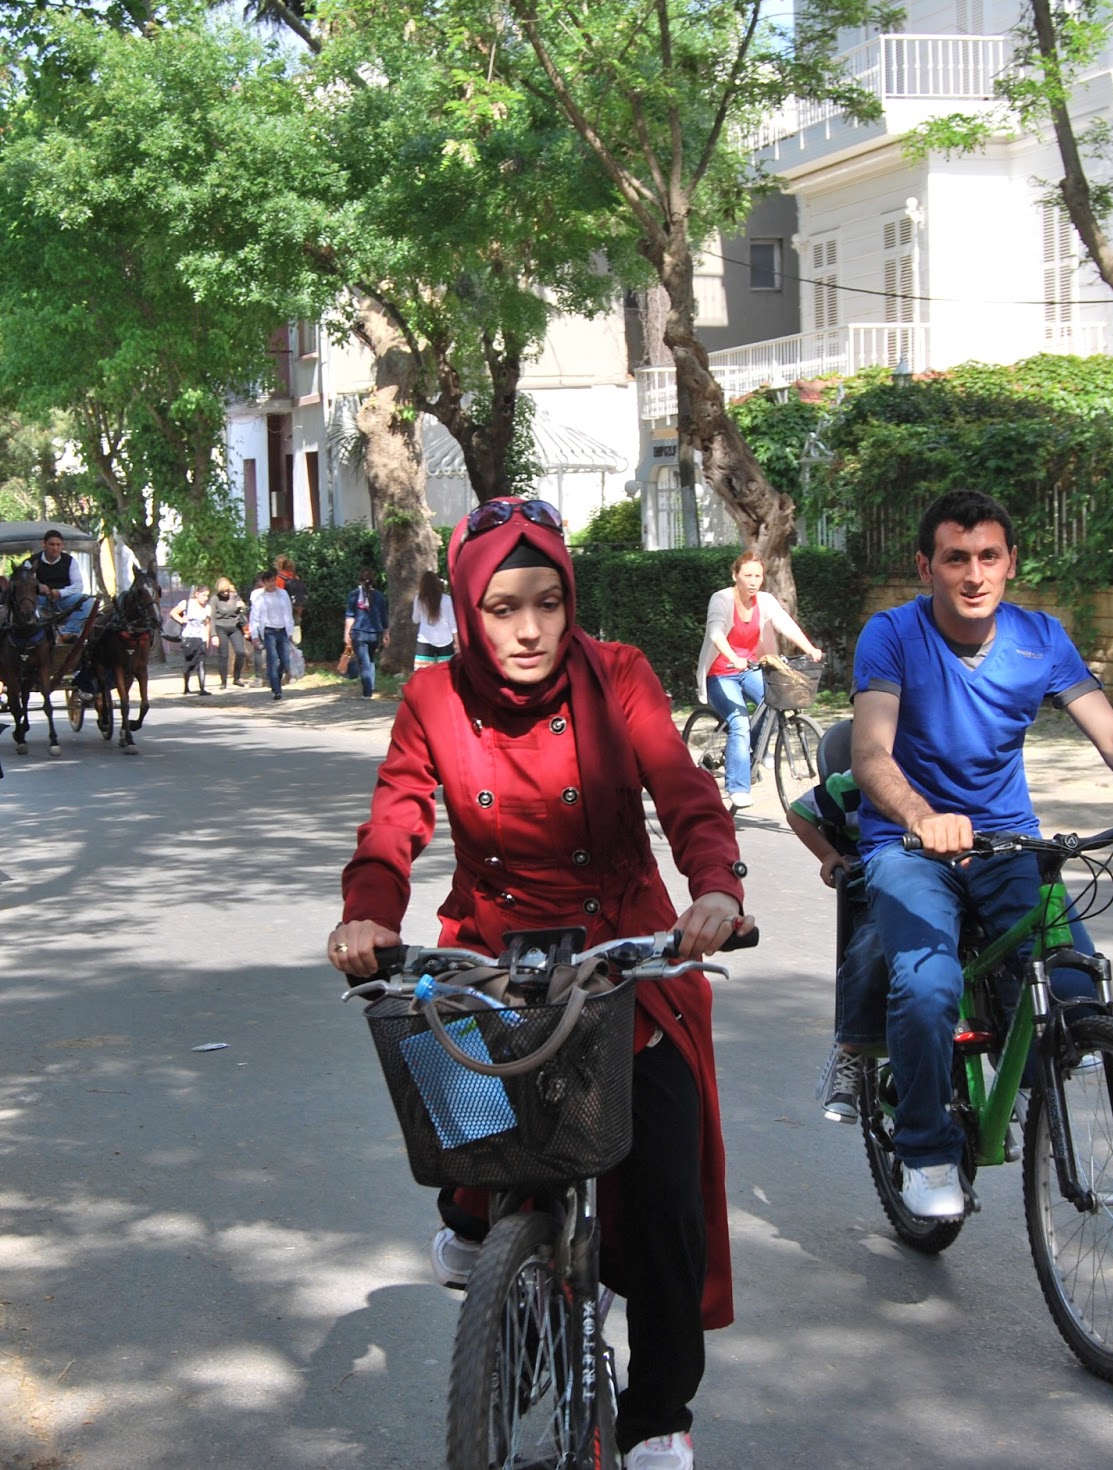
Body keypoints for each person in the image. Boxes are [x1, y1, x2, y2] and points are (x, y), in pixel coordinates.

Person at [328, 495, 753, 1470]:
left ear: (572, 603)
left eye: (550, 603)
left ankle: (656, 1417)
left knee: (667, 1204)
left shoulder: (621, 677)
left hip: (624, 962)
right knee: (472, 1159)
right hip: (490, 960)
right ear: (468, 610)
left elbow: (686, 795)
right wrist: (368, 915)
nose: (529, 630)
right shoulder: (433, 699)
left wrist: (716, 891)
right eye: (504, 607)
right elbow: (396, 819)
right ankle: (489, 1256)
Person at [850, 489, 1113, 1221]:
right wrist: (924, 817)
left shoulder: (1039, 638)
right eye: (956, 558)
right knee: (926, 989)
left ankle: (1025, 1081)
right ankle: (925, 1150)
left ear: (1011, 563)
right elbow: (869, 753)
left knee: (1076, 988)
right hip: (909, 842)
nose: (974, 573)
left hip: (1009, 841)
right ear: (926, 566)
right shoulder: (890, 635)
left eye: (989, 556)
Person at [781, 719, 888, 1124]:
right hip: (870, 881)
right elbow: (799, 813)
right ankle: (852, 1051)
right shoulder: (849, 787)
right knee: (869, 946)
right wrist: (829, 855)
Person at [694, 551, 823, 809]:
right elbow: (716, 633)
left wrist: (809, 648)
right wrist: (733, 656)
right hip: (720, 673)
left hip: (749, 668)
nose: (753, 581)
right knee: (740, 722)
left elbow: (784, 623)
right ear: (735, 575)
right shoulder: (721, 599)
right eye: (747, 575)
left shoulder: (764, 601)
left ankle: (750, 753)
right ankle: (738, 787)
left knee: (777, 700)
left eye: (758, 576)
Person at [24, 528, 91, 637]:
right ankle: (35, 634)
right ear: (44, 544)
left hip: (63, 599)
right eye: (51, 544)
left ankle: (68, 633)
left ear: (62, 546)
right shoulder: (30, 562)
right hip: (39, 600)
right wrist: (38, 586)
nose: (55, 548)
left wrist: (60, 593)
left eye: (58, 544)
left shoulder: (70, 561)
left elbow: (78, 586)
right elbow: (24, 585)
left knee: (87, 601)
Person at [342, 566, 390, 698]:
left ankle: (367, 692)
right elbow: (384, 616)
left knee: (363, 661)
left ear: (360, 579)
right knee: (370, 659)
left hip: (359, 632)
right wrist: (386, 633)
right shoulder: (379, 596)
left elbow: (350, 616)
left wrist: (347, 633)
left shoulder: (353, 595)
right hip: (375, 632)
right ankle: (371, 686)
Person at [250, 570, 294, 701]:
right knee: (273, 660)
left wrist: (290, 632)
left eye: (273, 580)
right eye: (268, 581)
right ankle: (276, 689)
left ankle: (276, 678)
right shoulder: (260, 598)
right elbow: (254, 618)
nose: (271, 583)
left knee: (285, 660)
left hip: (283, 630)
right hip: (269, 631)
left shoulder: (283, 594)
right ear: (263, 583)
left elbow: (289, 613)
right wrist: (255, 636)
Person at [169, 585, 214, 696]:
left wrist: (207, 638)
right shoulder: (187, 603)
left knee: (202, 662)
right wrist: (181, 619)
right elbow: (173, 613)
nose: (206, 598)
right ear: (197, 594)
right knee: (189, 663)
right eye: (203, 595)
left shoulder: (207, 608)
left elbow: (207, 623)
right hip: (188, 637)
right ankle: (186, 688)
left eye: (207, 596)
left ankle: (202, 688)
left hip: (201, 637)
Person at [411, 568, 456, 670]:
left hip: (425, 640)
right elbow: (453, 625)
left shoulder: (419, 599)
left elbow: (415, 619)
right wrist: (457, 642)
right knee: (447, 674)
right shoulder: (447, 599)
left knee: (422, 675)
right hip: (446, 640)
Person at [210, 577, 249, 689]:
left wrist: (242, 606)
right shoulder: (215, 599)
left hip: (235, 626)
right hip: (220, 627)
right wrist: (213, 635)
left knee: (240, 652)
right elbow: (212, 617)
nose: (225, 593)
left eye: (227, 591)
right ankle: (223, 681)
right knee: (223, 655)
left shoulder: (235, 596)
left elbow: (244, 611)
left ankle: (236, 678)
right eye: (223, 592)